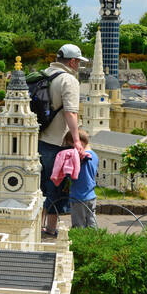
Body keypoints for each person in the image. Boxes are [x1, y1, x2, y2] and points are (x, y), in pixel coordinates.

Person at [38, 43, 85, 238]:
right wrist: (77, 140)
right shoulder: (68, 80)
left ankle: (34, 227)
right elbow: (70, 112)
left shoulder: (43, 74)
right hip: (56, 142)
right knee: (55, 187)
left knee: (37, 187)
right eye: (79, 63)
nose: (79, 67)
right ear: (72, 61)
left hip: (35, 139)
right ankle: (50, 228)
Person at [70, 129, 99, 227]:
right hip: (91, 194)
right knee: (92, 221)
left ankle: (79, 241)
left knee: (78, 224)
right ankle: (95, 239)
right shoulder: (94, 155)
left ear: (80, 143)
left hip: (79, 196)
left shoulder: (81, 157)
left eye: (71, 145)